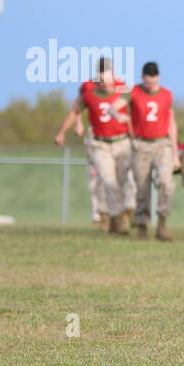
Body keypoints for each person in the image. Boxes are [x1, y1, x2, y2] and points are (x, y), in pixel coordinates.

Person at [54, 57, 132, 235]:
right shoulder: (88, 88)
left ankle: (117, 215)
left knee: (122, 180)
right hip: (99, 142)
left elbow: (132, 109)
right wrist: (68, 129)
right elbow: (76, 110)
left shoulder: (122, 86)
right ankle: (112, 217)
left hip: (121, 141)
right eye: (101, 79)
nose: (105, 84)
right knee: (105, 179)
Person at [127, 61, 179, 241]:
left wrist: (174, 152)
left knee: (166, 182)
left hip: (162, 144)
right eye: (147, 83)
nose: (150, 86)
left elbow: (171, 123)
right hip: (141, 145)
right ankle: (142, 224)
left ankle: (162, 224)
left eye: (154, 82)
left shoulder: (166, 95)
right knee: (142, 186)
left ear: (159, 78)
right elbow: (118, 104)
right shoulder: (133, 92)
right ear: (142, 78)